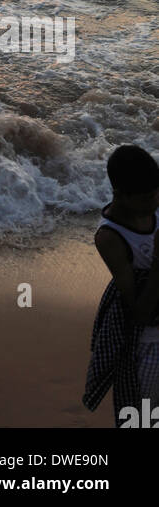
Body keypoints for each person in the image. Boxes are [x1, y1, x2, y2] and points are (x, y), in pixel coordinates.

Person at [84, 145, 159, 424]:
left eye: (156, 193)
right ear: (120, 194)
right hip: (147, 342)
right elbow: (141, 313)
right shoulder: (111, 237)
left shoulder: (154, 206)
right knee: (142, 414)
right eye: (146, 198)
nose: (154, 201)